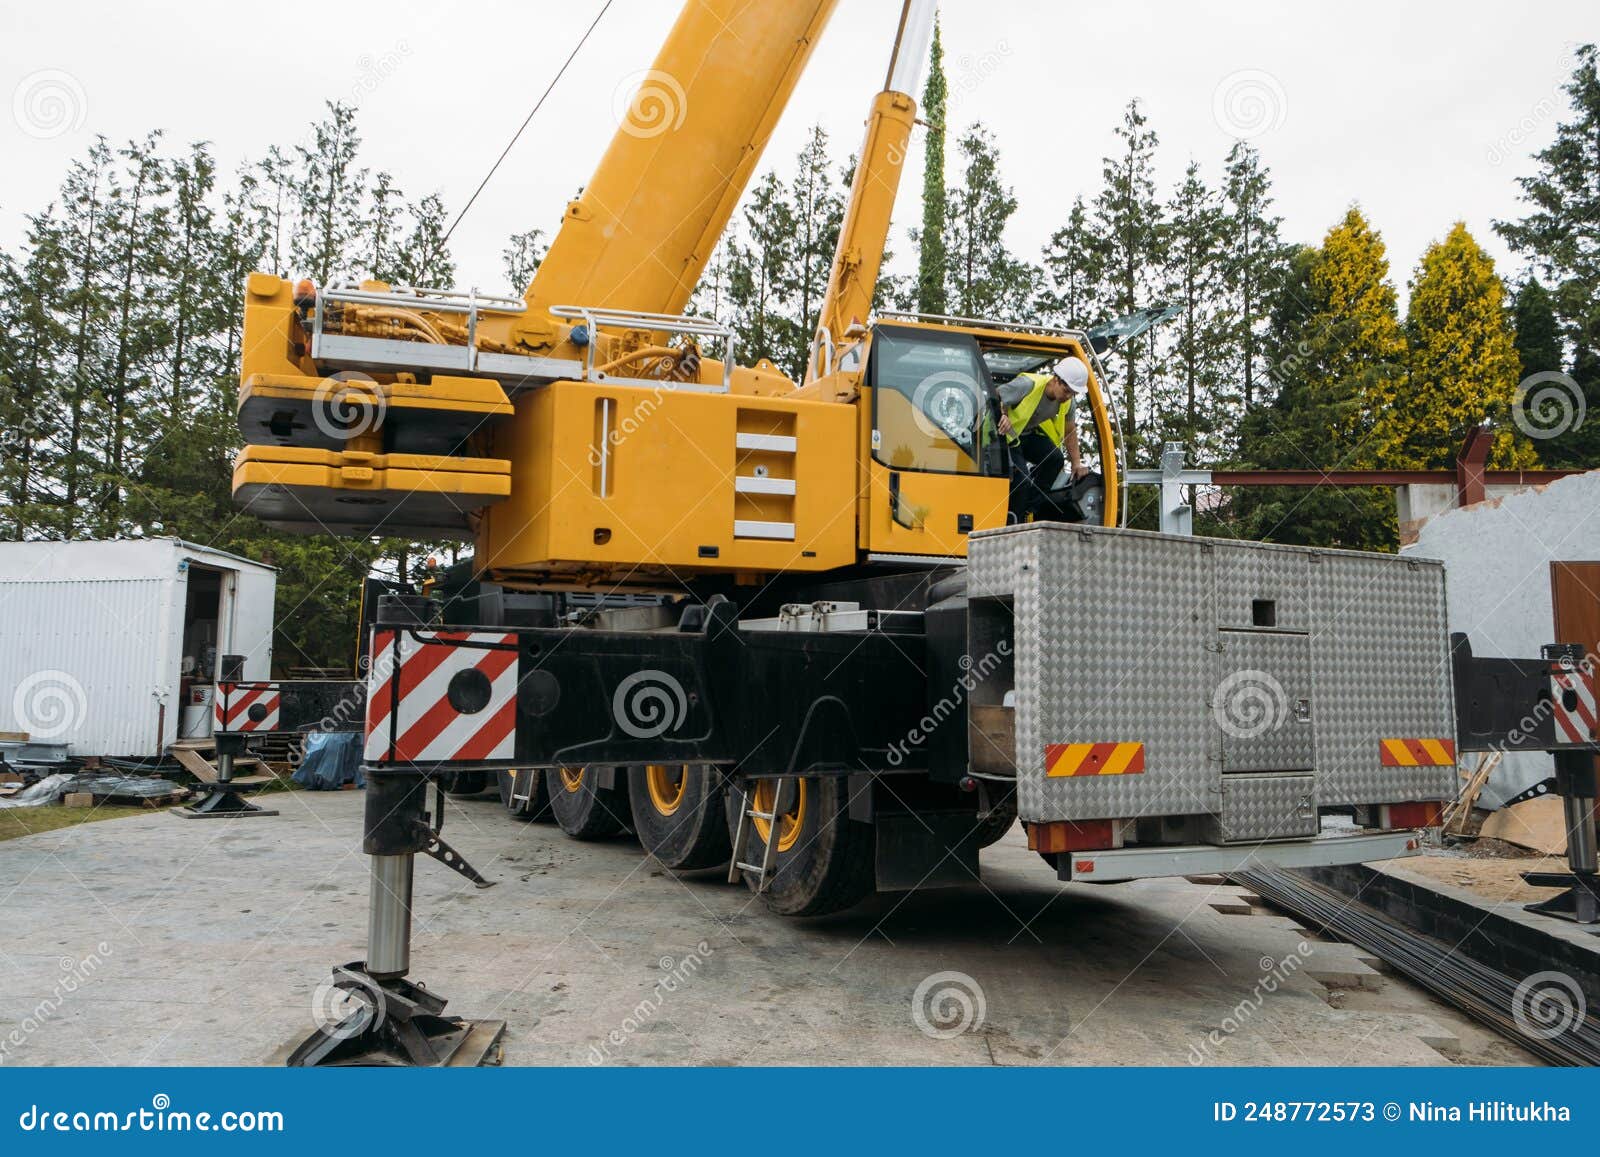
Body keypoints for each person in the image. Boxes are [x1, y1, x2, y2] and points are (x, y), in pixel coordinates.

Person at [996, 356, 1090, 522]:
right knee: (1022, 481)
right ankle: (1013, 521)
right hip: (1008, 437)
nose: (1068, 396)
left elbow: (1070, 430)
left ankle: (1029, 510)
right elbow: (996, 395)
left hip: (1028, 436)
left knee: (1055, 459)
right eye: (1066, 391)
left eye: (1073, 393)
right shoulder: (1028, 384)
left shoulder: (1068, 403)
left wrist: (1076, 462)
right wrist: (1003, 415)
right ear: (1056, 379)